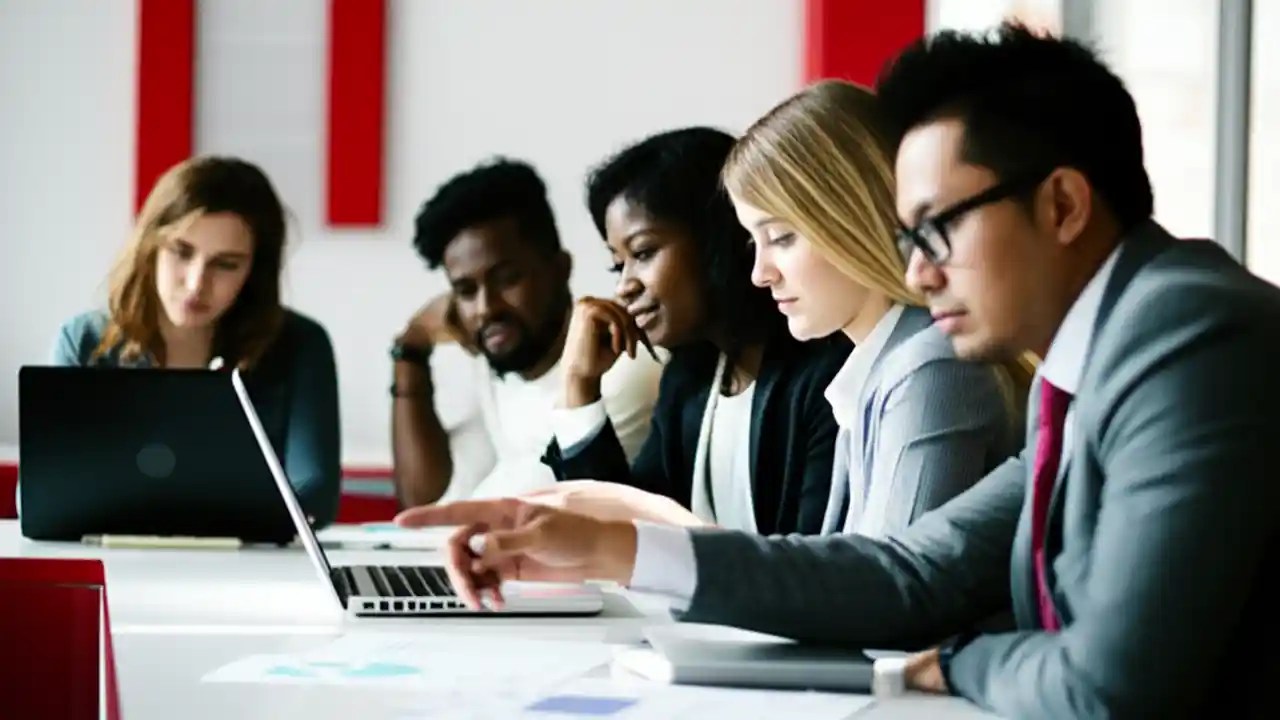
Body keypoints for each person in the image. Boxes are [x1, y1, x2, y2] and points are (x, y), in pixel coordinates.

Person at [396, 23, 1280, 719]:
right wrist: (612, 547)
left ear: (1062, 204)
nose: (921, 270)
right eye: (908, 239)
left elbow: (1108, 685)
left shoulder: (1186, 334)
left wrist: (958, 663)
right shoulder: (1096, 357)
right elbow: (914, 568)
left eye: (939, 228)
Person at [536, 127, 848, 535]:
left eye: (643, 253)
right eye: (619, 264)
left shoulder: (823, 375)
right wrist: (579, 386)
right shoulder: (689, 380)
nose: (624, 286)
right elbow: (628, 537)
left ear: (717, 237)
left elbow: (818, 570)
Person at [47, 155, 341, 525]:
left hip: (249, 573)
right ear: (150, 247)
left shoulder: (301, 344)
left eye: (226, 264)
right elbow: (44, 497)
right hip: (116, 563)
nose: (196, 283)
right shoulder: (85, 340)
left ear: (255, 271)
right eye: (181, 253)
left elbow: (316, 495)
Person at [391, 158, 662, 506]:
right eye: (466, 291)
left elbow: (515, 508)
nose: (487, 308)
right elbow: (422, 499)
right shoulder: (496, 369)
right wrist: (410, 349)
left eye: (507, 279)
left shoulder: (622, 362)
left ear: (560, 268)